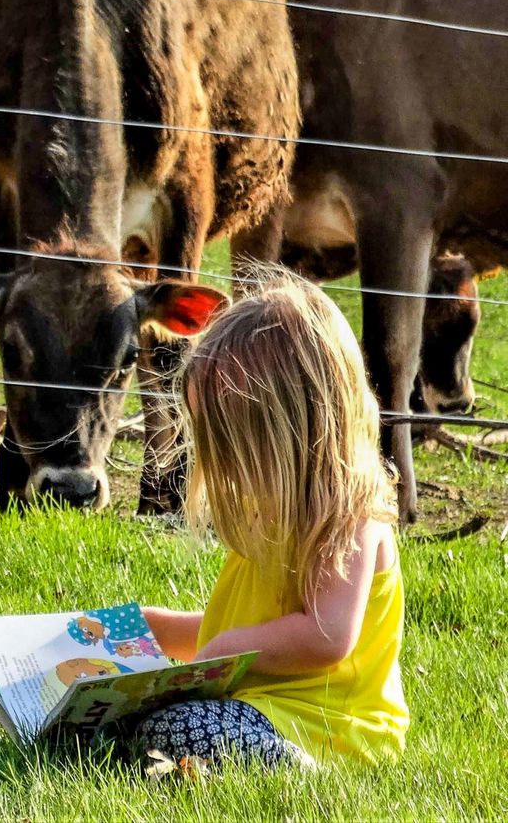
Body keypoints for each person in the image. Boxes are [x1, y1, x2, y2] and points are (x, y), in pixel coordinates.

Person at [138, 273, 409, 769]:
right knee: (135, 724)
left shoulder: (351, 514)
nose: (220, 463)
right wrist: (153, 630)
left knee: (172, 727)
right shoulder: (273, 511)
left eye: (231, 445)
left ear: (283, 435)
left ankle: (302, 771)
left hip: (328, 729)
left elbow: (326, 636)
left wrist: (224, 649)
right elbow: (257, 628)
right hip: (262, 711)